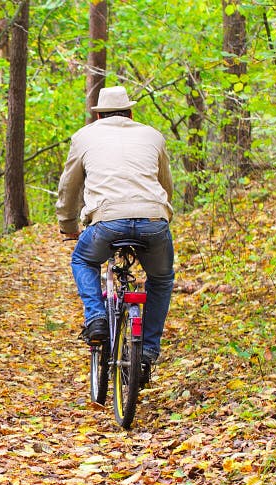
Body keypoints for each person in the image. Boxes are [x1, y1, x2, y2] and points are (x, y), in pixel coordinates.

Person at [55, 85, 175, 386]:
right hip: (153, 219)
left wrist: (68, 224)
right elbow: (165, 183)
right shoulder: (152, 135)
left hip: (106, 222)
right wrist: (161, 215)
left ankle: (96, 317)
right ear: (130, 112)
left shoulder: (85, 137)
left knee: (83, 260)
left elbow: (68, 187)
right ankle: (146, 352)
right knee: (160, 280)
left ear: (99, 115)